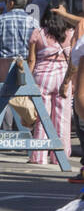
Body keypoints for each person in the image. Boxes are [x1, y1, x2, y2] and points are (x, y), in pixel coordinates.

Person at [28, 10, 75, 163]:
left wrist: (27, 81)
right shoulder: (71, 33)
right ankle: (61, 156)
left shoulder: (38, 33)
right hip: (63, 77)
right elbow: (75, 59)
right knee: (63, 118)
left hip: (42, 77)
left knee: (42, 117)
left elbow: (31, 60)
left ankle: (39, 156)